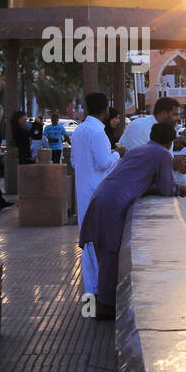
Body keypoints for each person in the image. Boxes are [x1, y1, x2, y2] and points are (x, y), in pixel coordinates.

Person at [79, 122, 186, 320]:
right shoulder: (163, 154)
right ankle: (105, 306)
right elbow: (166, 187)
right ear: (169, 142)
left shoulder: (139, 150)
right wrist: (180, 189)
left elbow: (141, 182)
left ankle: (104, 302)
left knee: (105, 253)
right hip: (113, 203)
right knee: (111, 254)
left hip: (102, 197)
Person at [70, 92, 120, 306]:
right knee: (98, 241)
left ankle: (92, 290)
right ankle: (100, 290)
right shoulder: (98, 133)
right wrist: (118, 153)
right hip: (97, 192)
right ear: (106, 111)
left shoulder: (80, 130)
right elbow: (103, 163)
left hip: (83, 191)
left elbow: (74, 162)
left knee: (88, 242)